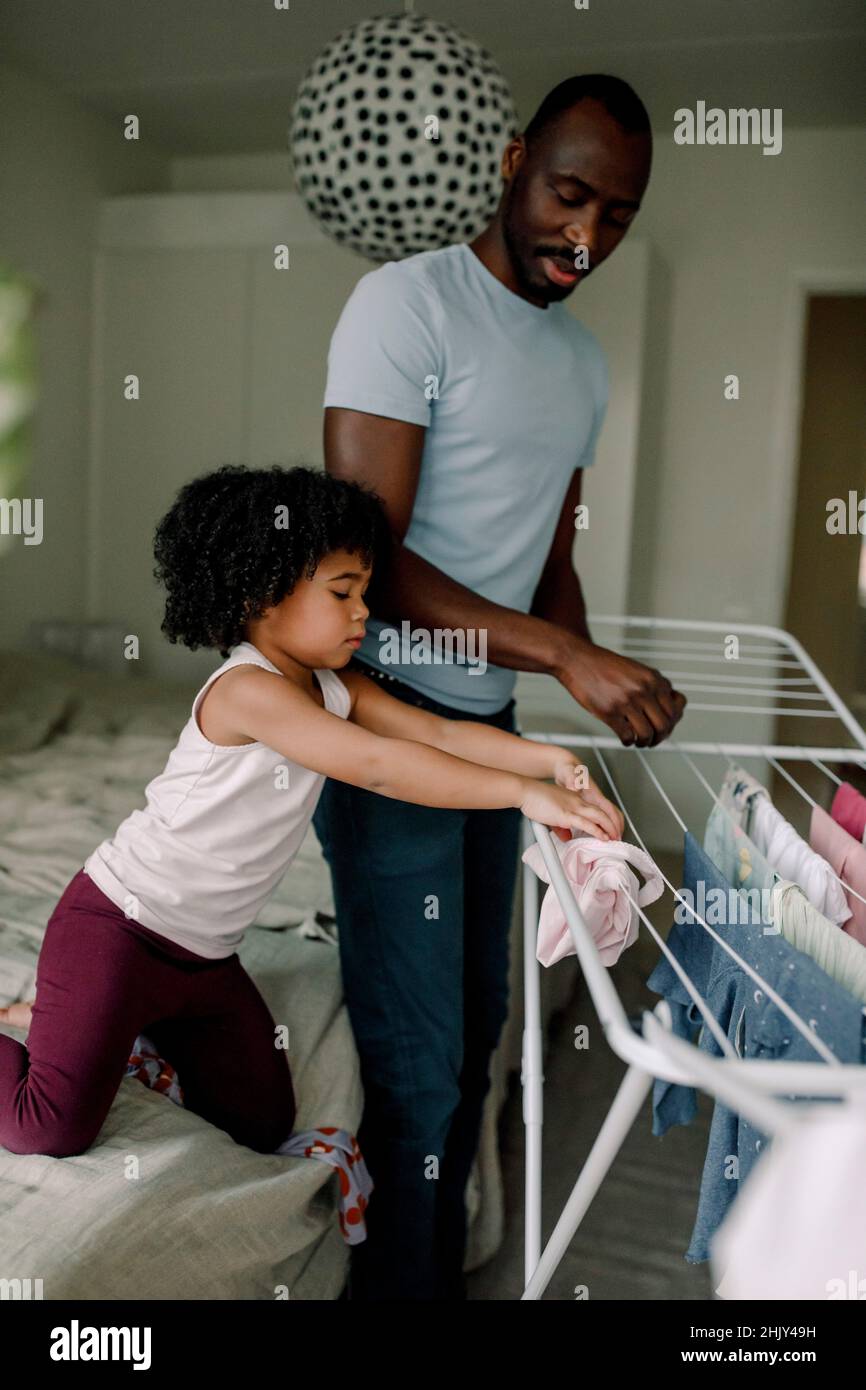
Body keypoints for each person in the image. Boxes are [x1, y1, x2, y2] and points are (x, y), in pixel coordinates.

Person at [315, 73, 686, 1299]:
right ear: (515, 158)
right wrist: (559, 652)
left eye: (616, 215)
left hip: (491, 732)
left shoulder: (581, 366)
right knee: (420, 1069)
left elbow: (550, 564)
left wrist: (585, 682)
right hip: (387, 721)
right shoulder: (403, 304)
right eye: (567, 194)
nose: (585, 237)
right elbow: (370, 558)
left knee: (472, 1040)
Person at [0, 464, 623, 1168]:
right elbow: (377, 765)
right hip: (118, 929)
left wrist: (542, 758)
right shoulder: (246, 691)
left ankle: (102, 1027)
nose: (364, 610)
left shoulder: (331, 685)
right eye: (342, 591)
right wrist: (521, 794)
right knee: (43, 1127)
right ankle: (53, 1024)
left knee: (260, 1121)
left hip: (203, 957)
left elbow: (435, 734)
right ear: (261, 593)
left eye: (364, 590)